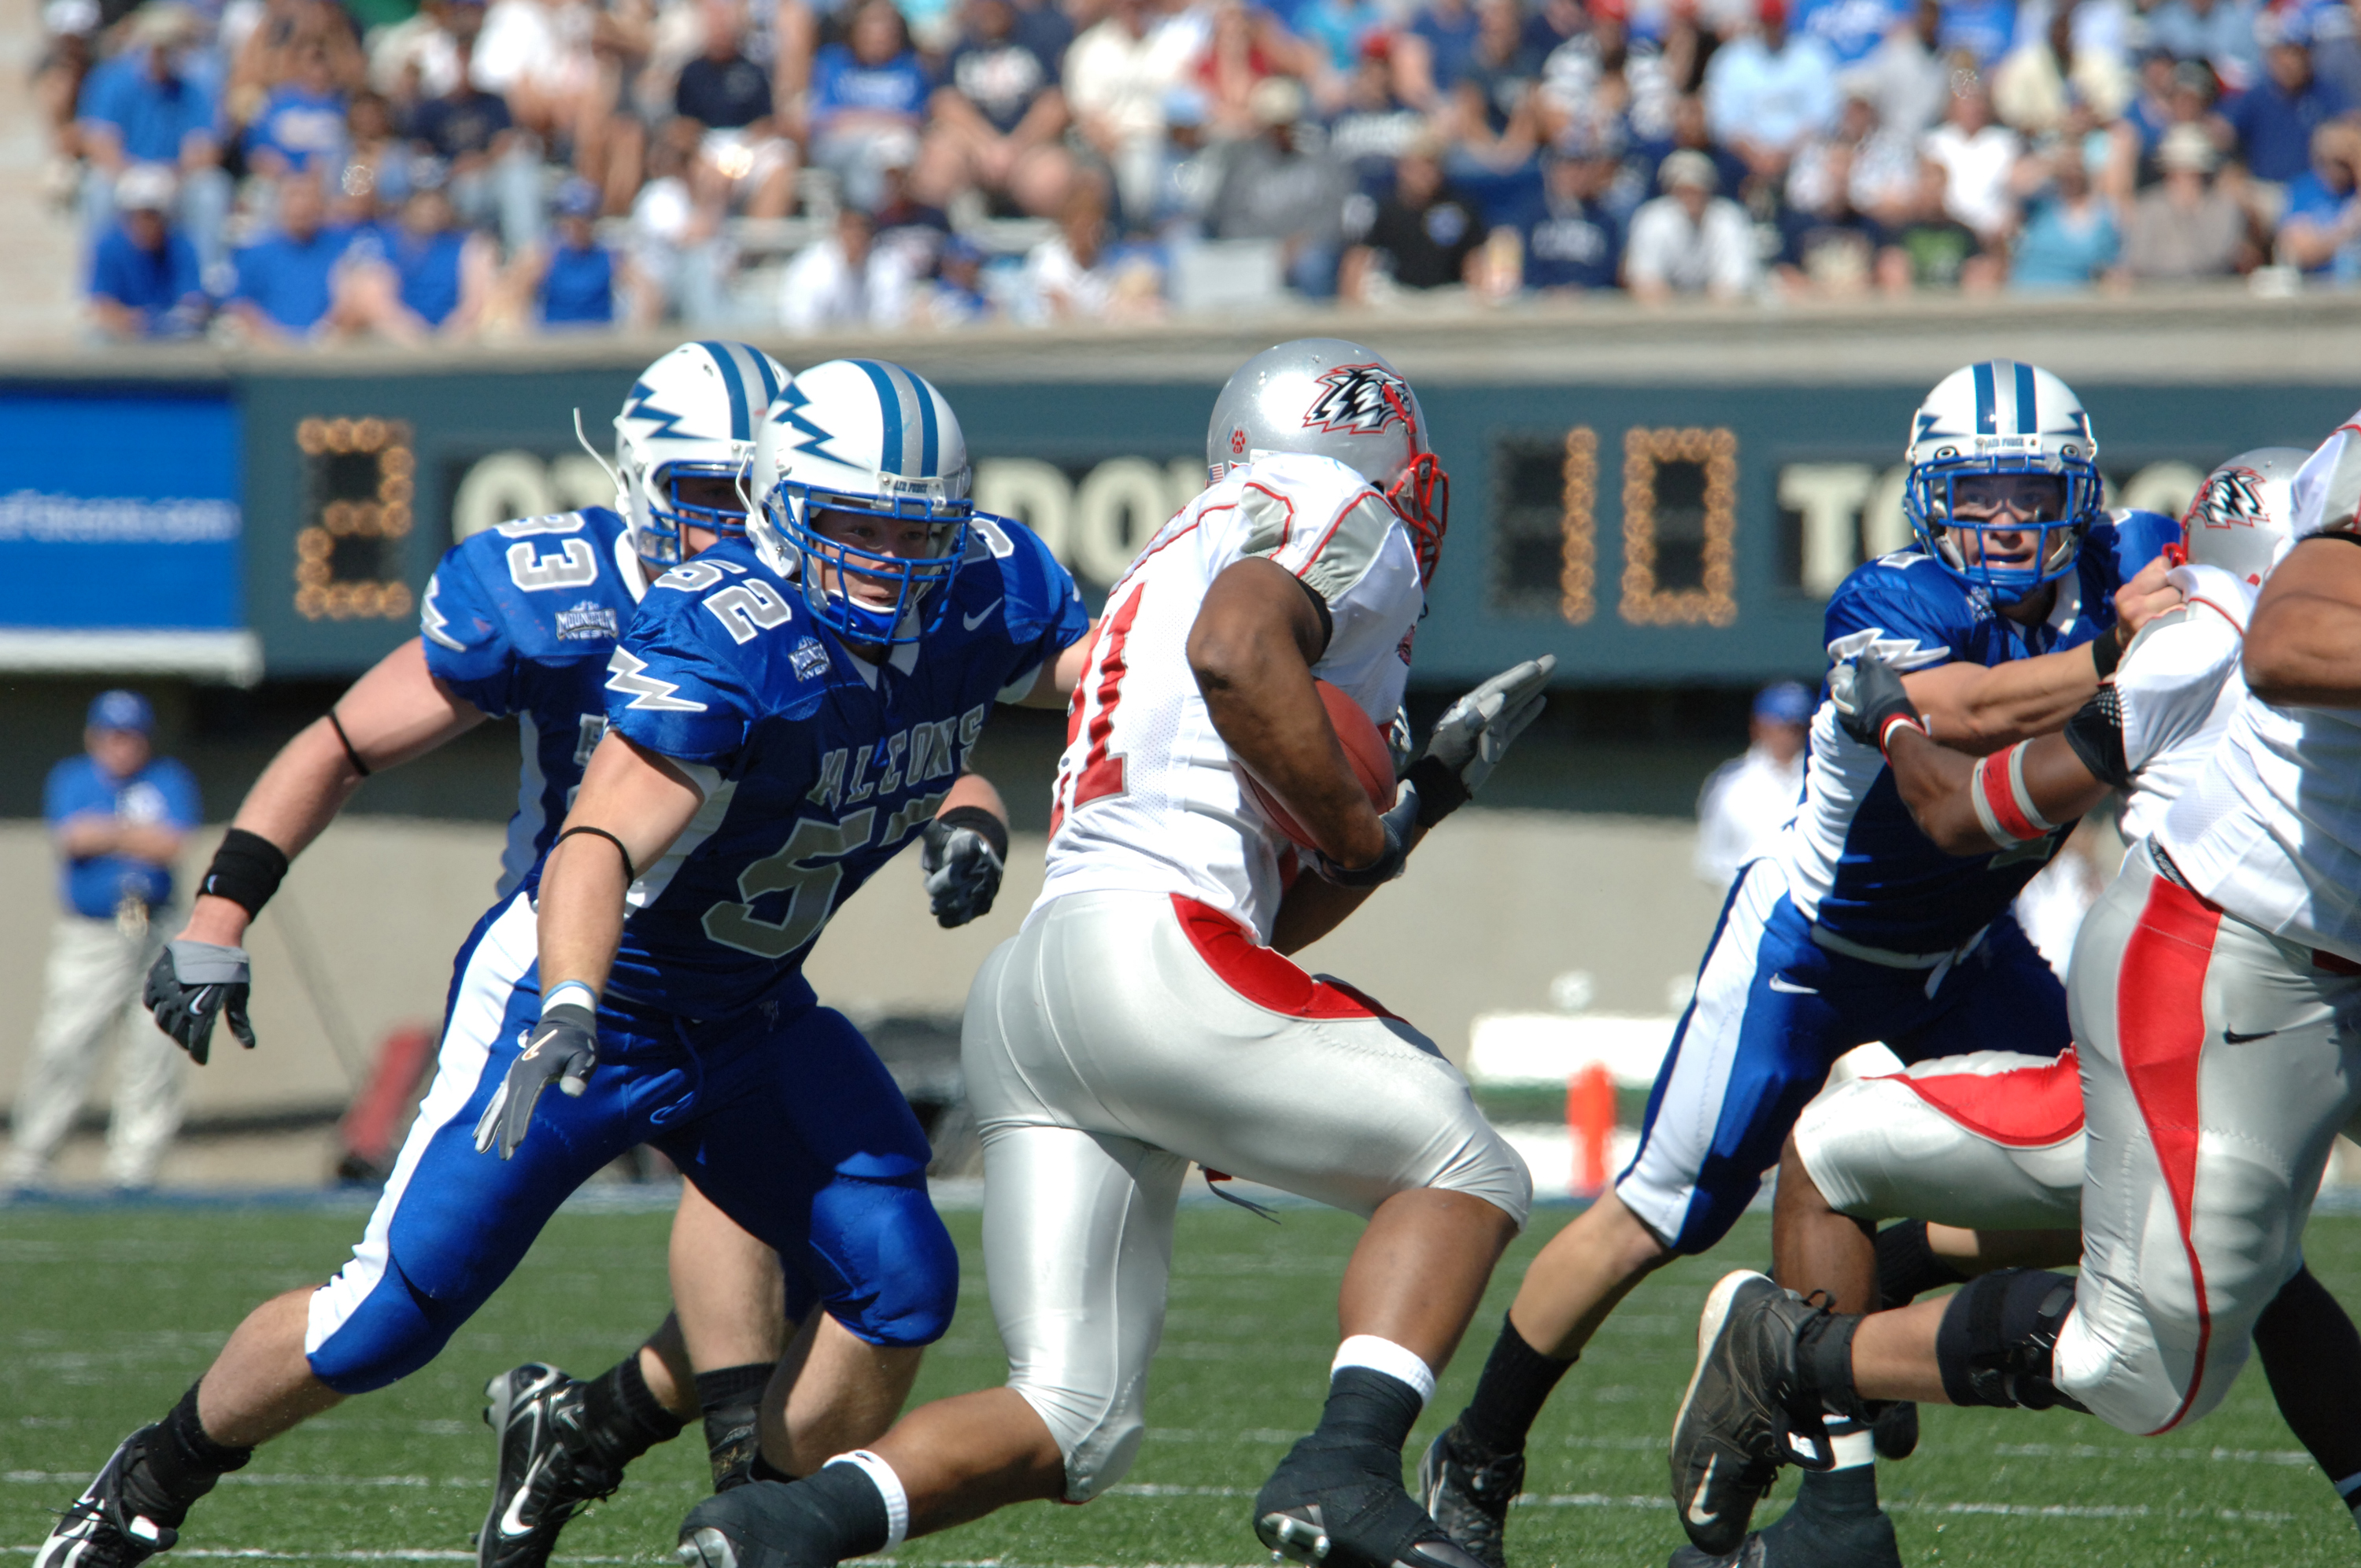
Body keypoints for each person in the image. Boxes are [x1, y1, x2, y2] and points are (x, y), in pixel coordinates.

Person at [34, 349, 1082, 1568]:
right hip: (577, 993)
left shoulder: (968, 594)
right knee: (382, 1325)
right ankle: (146, 1482)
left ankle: (761, 1530)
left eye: (917, 537)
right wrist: (234, 914)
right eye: (853, 527)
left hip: (746, 1007)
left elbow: (1004, 696)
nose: (889, 565)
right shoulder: (695, 623)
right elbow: (583, 842)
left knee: (900, 1276)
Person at [673, 340, 1550, 1568]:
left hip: (1048, 988)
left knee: (1073, 1421)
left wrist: (1418, 800)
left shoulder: (1180, 544)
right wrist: (1363, 821)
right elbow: (1238, 651)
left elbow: (1277, 912)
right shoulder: (1335, 505)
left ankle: (782, 1521)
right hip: (1156, 958)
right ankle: (1345, 1467)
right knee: (1468, 1165)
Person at [1414, 361, 2181, 1568]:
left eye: (2029, 490)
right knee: (1659, 1213)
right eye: (1975, 495)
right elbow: (1969, 715)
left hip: (1967, 951)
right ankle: (1482, 1447)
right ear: (1930, 501)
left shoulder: (2124, 562)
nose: (2002, 520)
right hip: (1810, 951)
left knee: (2104, 1179)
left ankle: (1860, 1282)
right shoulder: (1891, 598)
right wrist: (2125, 664)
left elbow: (2230, 576)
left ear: (2076, 493)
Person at [1667, 408, 2361, 1552]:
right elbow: (1969, 809)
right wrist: (1894, 719)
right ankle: (1793, 1346)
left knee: (2254, 1261)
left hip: (2305, 974)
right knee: (2147, 1367)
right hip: (2224, 975)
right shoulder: (2198, 644)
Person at [6, 691, 200, 1195]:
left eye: (132, 736)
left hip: (157, 925)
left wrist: (111, 833)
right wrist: (135, 834)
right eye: (113, 735)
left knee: (154, 1047)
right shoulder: (74, 777)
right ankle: (32, 1157)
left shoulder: (167, 779)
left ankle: (135, 1169)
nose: (123, 747)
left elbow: (173, 844)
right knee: (66, 1040)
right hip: (92, 930)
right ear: (95, 737)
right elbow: (74, 837)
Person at [1692, 680, 1810, 895]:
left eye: (1798, 727)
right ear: (1759, 726)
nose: (1790, 735)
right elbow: (1713, 860)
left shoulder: (1820, 780)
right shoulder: (1731, 784)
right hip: (1749, 910)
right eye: (1782, 725)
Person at [2116, 120, 2255, 279]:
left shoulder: (2224, 207)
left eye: (2193, 172)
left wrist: (2189, 213)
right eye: (2178, 171)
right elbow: (2139, 258)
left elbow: (2219, 256)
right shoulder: (2148, 208)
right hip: (2156, 292)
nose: (2186, 179)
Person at [87, 163, 208, 340]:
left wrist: (162, 323)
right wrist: (138, 322)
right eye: (139, 215)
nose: (146, 224)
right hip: (125, 340)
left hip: (170, 337)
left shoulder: (182, 246)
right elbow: (102, 308)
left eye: (153, 215)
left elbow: (193, 306)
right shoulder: (109, 246)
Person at [1624, 147, 1760, 301]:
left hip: (1714, 316)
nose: (1691, 197)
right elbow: (1644, 281)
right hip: (1666, 315)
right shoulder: (1652, 219)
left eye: (1697, 189)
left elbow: (1735, 284)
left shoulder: (1728, 218)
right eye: (1683, 190)